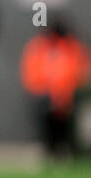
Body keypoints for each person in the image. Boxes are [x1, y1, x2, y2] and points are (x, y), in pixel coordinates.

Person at [21, 18, 91, 159]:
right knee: (47, 119)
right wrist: (51, 94)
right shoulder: (39, 48)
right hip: (45, 97)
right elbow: (33, 76)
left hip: (69, 98)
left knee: (70, 121)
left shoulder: (72, 48)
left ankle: (71, 151)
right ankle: (50, 150)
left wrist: (64, 95)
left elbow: (81, 74)